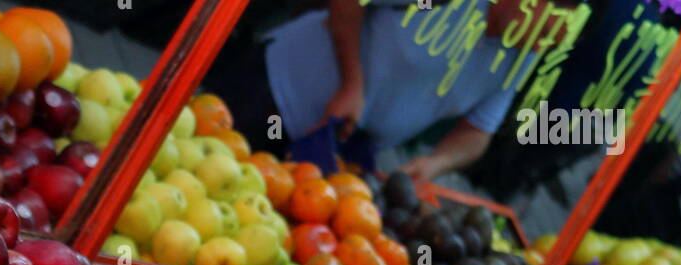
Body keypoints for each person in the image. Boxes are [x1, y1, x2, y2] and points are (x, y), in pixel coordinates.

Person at [209, 1, 545, 180]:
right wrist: (352, 82)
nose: (543, 42)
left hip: (329, 161)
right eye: (546, 27)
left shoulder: (522, 54)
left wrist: (435, 164)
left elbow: (478, 130)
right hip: (273, 95)